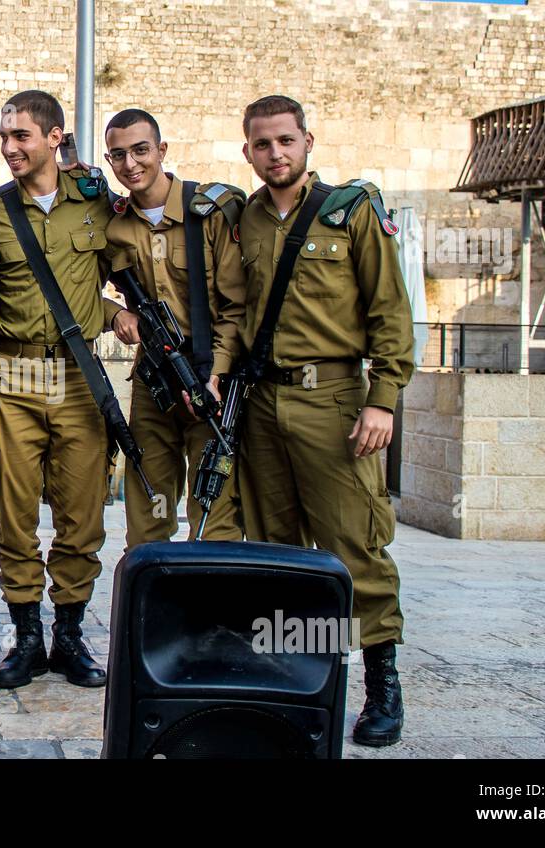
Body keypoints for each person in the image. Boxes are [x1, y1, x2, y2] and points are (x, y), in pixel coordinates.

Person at [237, 95, 413, 746]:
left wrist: (383, 397)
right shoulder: (246, 219)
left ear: (308, 141)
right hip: (261, 407)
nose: (275, 154)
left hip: (336, 402)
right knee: (276, 552)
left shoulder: (352, 212)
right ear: (247, 150)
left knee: (353, 546)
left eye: (286, 141)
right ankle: (296, 682)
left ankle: (382, 687)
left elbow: (390, 311)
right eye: (262, 144)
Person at [0, 90, 120, 689]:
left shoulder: (96, 207)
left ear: (55, 138)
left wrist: (118, 317)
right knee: (13, 516)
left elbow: (131, 267)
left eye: (22, 136)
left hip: (79, 377)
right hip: (12, 374)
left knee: (81, 514)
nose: (10, 147)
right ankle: (26, 637)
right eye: (5, 136)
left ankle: (68, 632)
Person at [102, 108, 246, 546]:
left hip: (209, 381)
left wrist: (214, 375)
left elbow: (236, 308)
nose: (131, 164)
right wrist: (114, 313)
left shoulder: (212, 213)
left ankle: (207, 611)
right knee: (147, 511)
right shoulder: (114, 226)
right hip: (154, 384)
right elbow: (75, 290)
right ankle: (152, 607)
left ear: (161, 150)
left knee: (213, 512)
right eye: (118, 155)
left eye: (141, 150)